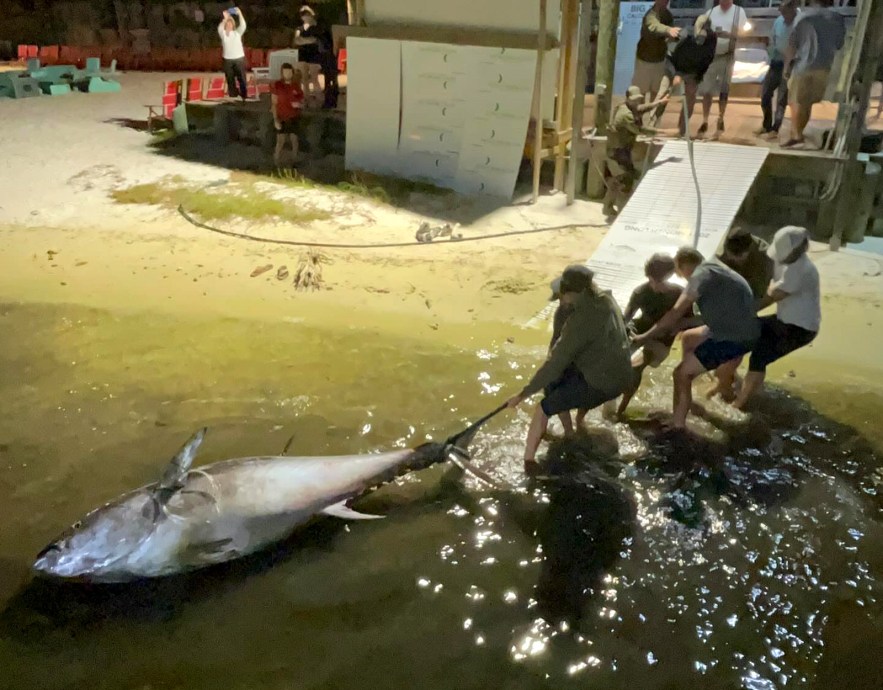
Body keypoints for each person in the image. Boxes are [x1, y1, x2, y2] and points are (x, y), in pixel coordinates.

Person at [504, 265, 633, 474]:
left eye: (562, 297)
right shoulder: (607, 300)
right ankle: (573, 430)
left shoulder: (580, 319)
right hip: (623, 376)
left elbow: (554, 362)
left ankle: (529, 462)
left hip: (601, 384)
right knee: (558, 383)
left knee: (543, 406)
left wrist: (521, 395)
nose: (561, 302)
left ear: (571, 293)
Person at [633, 247, 759, 429]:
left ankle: (677, 423)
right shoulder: (715, 267)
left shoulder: (700, 276)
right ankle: (690, 394)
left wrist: (645, 336)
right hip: (745, 327)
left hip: (732, 337)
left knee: (679, 374)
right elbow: (704, 316)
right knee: (688, 338)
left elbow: (676, 311)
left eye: (679, 272)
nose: (682, 278)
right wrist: (682, 325)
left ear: (684, 265)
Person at [733, 226, 820, 409]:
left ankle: (741, 403)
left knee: (759, 356)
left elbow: (773, 296)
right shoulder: (785, 261)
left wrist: (743, 313)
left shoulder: (802, 270)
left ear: (799, 249)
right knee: (744, 333)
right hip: (784, 319)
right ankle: (747, 387)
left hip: (801, 328)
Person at [707, 228, 775, 400]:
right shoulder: (720, 252)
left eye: (740, 256)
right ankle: (726, 375)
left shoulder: (765, 258)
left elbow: (759, 296)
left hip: (753, 290)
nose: (735, 259)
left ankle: (729, 380)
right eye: (732, 256)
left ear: (749, 249)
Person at [617, 253, 683, 417]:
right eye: (651, 281)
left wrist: (678, 328)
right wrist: (623, 329)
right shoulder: (641, 292)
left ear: (670, 276)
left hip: (662, 338)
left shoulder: (679, 294)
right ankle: (608, 400)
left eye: (659, 282)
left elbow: (691, 319)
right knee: (615, 360)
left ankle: (620, 410)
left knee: (636, 367)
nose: (654, 286)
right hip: (639, 330)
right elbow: (626, 317)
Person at [603, 86, 676, 218]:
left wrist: (659, 102)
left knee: (624, 178)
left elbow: (641, 108)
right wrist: (664, 132)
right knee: (625, 179)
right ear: (628, 98)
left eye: (638, 99)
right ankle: (617, 209)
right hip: (617, 152)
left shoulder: (627, 106)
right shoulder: (625, 115)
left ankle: (610, 207)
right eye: (634, 100)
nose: (636, 102)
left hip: (621, 150)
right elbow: (640, 130)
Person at [782, 0, 845, 149]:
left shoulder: (803, 17)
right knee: (808, 102)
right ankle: (799, 134)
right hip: (825, 66)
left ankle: (796, 136)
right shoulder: (837, 18)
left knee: (795, 101)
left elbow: (792, 44)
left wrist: (786, 66)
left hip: (803, 65)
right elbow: (839, 44)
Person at [696, 0, 748, 138]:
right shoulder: (711, 12)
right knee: (707, 89)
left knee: (724, 89)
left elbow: (744, 34)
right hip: (712, 55)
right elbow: (702, 30)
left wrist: (729, 35)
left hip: (727, 55)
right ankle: (705, 120)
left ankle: (721, 117)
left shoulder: (738, 12)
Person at [665, 14, 718, 136]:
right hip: (675, 66)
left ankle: (681, 130)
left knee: (690, 99)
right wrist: (676, 73)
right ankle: (652, 123)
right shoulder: (685, 34)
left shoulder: (711, 39)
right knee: (665, 93)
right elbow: (670, 52)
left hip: (692, 72)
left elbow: (708, 59)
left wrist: (698, 75)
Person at [632, 0, 680, 126]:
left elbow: (669, 36)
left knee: (656, 92)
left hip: (659, 60)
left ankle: (651, 122)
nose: (665, 2)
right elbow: (653, 26)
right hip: (644, 60)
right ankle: (638, 120)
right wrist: (668, 30)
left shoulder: (668, 15)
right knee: (640, 93)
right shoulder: (650, 15)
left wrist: (672, 36)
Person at [755, 0, 798, 139]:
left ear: (793, 8)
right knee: (765, 94)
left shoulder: (800, 23)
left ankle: (775, 128)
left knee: (782, 98)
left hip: (792, 64)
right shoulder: (779, 21)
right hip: (776, 62)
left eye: (785, 11)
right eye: (781, 11)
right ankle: (766, 124)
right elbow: (773, 39)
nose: (783, 14)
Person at [271, 63, 305, 167]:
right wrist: (275, 119)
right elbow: (274, 103)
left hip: (294, 116)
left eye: (289, 72)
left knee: (294, 139)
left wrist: (299, 105)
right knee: (280, 140)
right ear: (282, 73)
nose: (287, 74)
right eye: (285, 72)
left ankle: (294, 161)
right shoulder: (277, 85)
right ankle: (276, 161)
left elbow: (302, 102)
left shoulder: (296, 86)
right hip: (281, 116)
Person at [294, 5, 324, 108]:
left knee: (314, 78)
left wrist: (303, 41)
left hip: (314, 54)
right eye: (303, 15)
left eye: (307, 14)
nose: (305, 16)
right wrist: (307, 41)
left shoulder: (315, 27)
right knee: (304, 79)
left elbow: (314, 39)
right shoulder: (299, 28)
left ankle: (320, 100)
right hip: (303, 54)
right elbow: (297, 40)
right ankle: (306, 99)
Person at [218, 6, 248, 101]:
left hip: (239, 59)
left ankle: (244, 95)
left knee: (241, 78)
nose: (229, 25)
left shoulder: (237, 33)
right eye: (227, 24)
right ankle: (233, 95)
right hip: (228, 60)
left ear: (233, 25)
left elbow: (243, 25)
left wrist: (240, 14)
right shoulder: (223, 34)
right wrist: (225, 19)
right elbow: (220, 27)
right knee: (230, 79)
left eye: (230, 24)